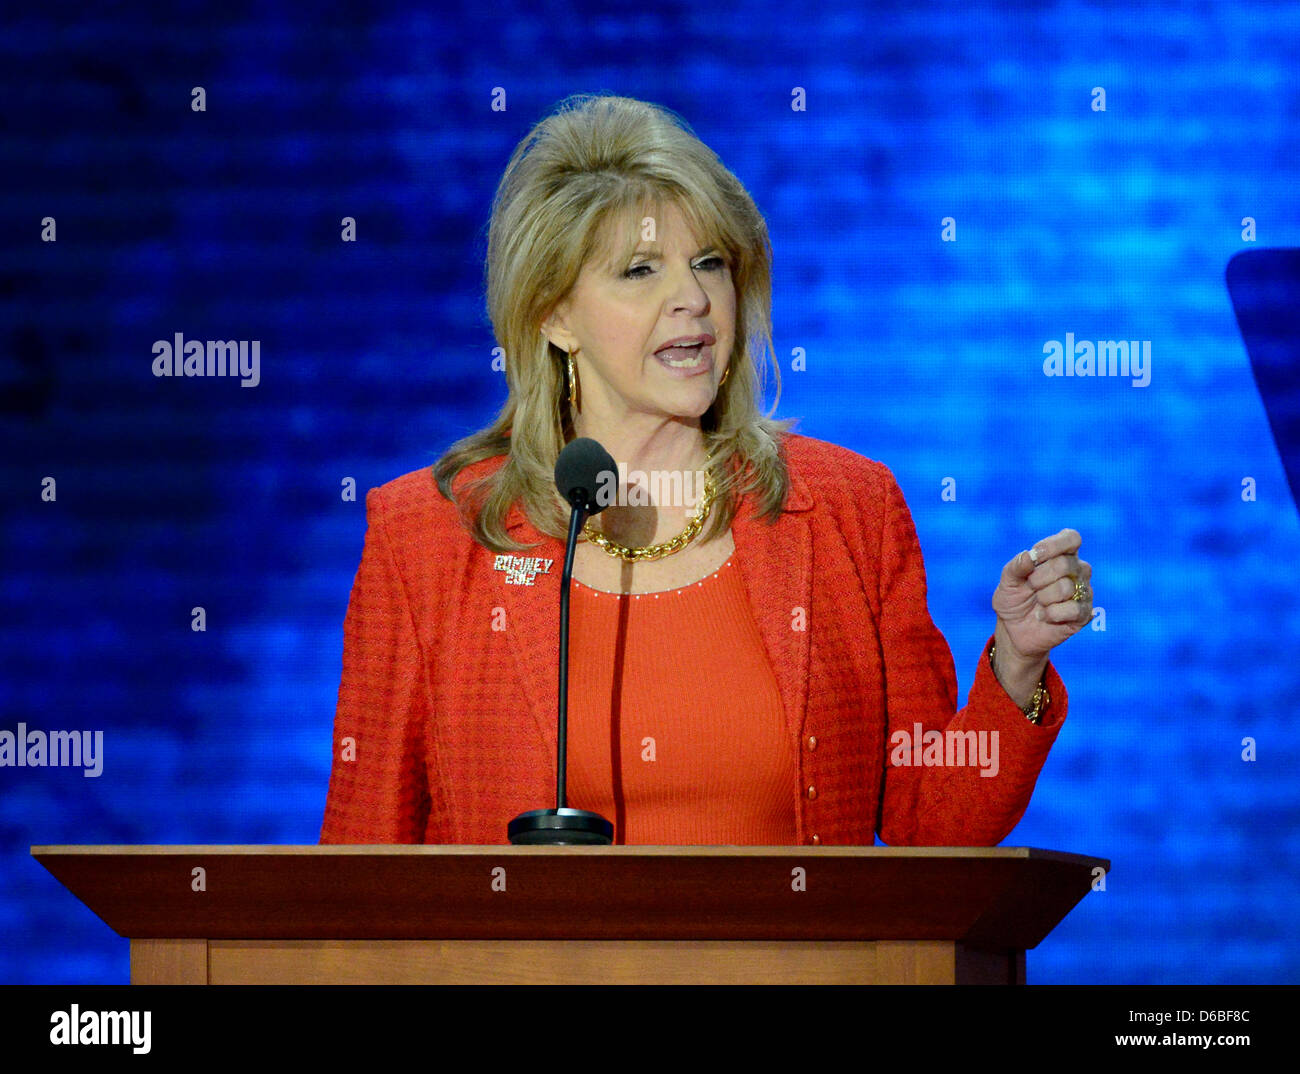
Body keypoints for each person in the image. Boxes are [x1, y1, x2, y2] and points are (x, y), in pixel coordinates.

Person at [319, 94, 1093, 846]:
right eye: (640, 271)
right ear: (554, 315)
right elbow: (361, 868)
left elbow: (933, 825)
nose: (691, 299)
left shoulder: (849, 509)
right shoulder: (426, 539)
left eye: (710, 264)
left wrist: (1016, 662)